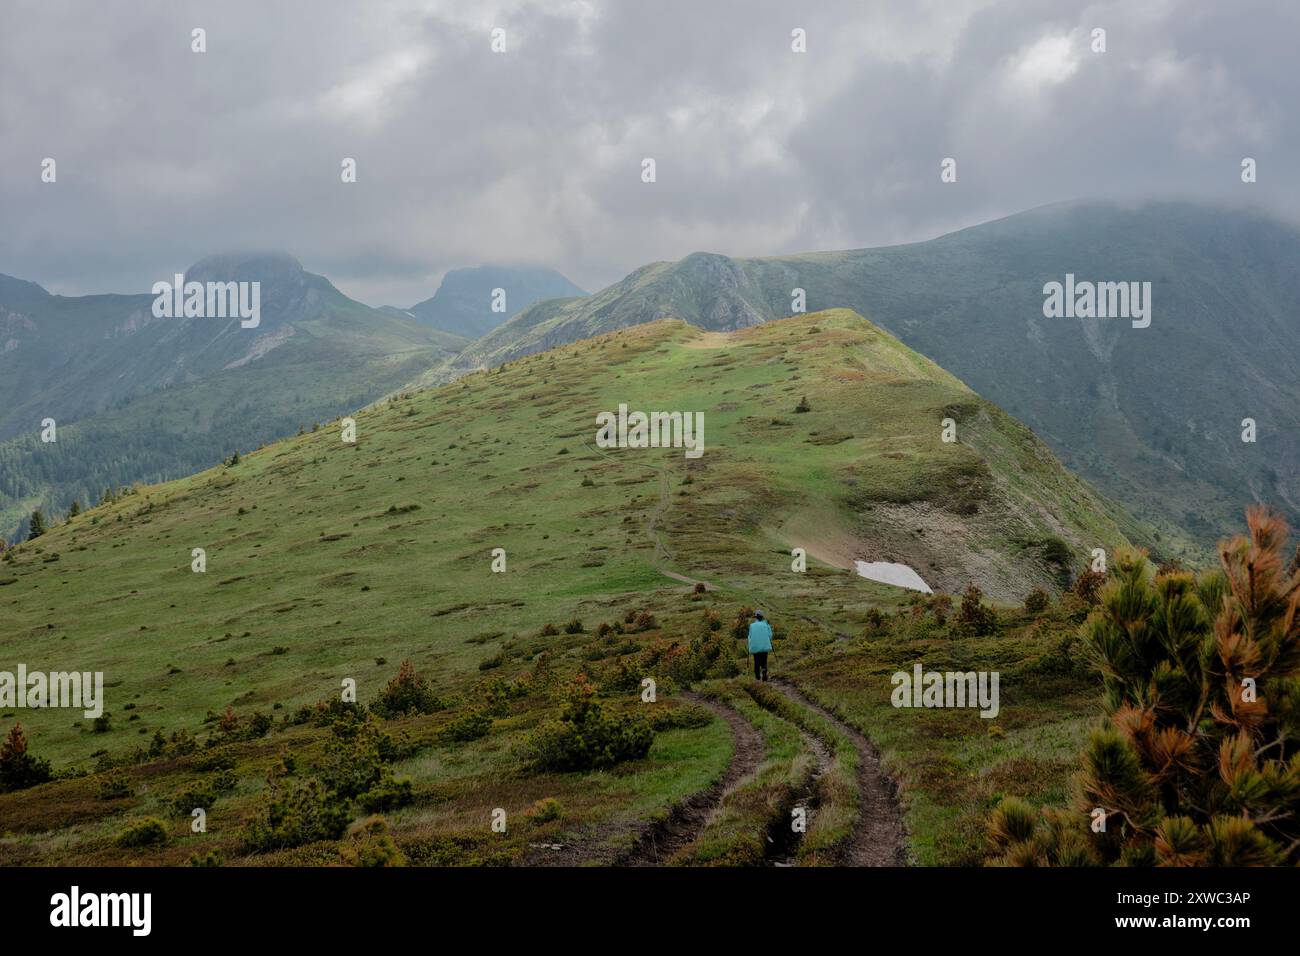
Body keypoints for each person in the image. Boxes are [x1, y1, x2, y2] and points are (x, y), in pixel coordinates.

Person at [747, 610, 773, 681]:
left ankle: (757, 676)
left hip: (755, 647)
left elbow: (749, 637)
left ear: (755, 617)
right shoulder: (766, 624)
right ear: (762, 617)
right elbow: (770, 635)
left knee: (756, 661)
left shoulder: (752, 626)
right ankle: (764, 670)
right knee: (764, 660)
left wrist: (749, 646)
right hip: (765, 646)